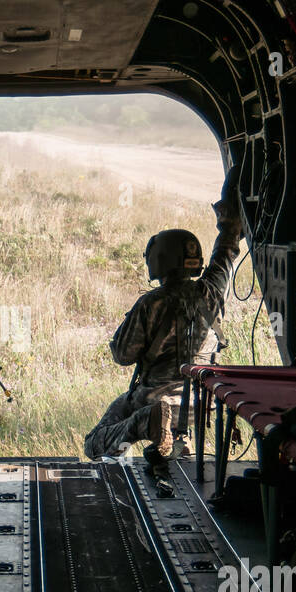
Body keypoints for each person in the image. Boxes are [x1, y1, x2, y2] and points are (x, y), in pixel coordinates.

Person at [84, 171, 244, 471]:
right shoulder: (212, 291)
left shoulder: (150, 303)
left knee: (95, 443)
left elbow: (122, 355)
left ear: (158, 262)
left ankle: (147, 423)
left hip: (154, 399)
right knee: (170, 437)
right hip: (201, 403)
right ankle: (172, 444)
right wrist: (232, 210)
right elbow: (226, 251)